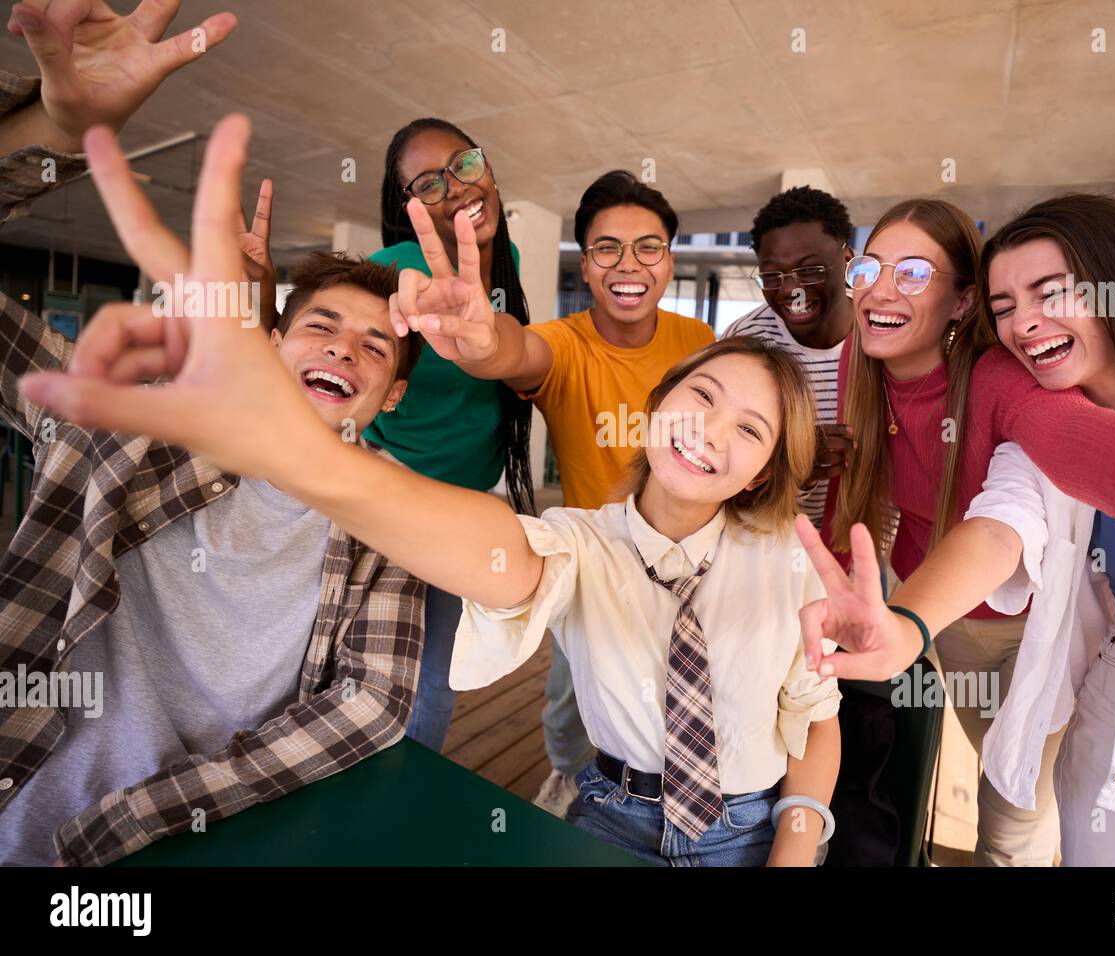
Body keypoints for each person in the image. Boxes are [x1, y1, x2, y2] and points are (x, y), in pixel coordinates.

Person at [20, 127, 842, 865]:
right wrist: (47, 129)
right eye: (700, 403)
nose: (711, 432)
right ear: (655, 410)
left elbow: (811, 715)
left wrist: (799, 835)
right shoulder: (138, 436)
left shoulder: (762, 504)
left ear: (767, 467)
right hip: (605, 785)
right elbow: (511, 522)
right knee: (562, 716)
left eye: (751, 430)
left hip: (758, 828)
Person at [0, 1, 424, 866]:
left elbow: (371, 705)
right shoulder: (131, 424)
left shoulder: (394, 524)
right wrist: (52, 131)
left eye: (376, 344)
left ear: (388, 399)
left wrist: (136, 819)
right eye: (323, 326)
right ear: (271, 347)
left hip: (196, 846)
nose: (346, 345)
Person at [818, 197, 1115, 865]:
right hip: (992, 633)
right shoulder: (871, 369)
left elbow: (1081, 443)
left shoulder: (1014, 385)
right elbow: (998, 523)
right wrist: (900, 623)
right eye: (1008, 305)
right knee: (1022, 786)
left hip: (1063, 636)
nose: (1026, 322)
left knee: (1016, 818)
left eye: (915, 273)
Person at [399, 169, 714, 813]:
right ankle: (571, 787)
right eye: (607, 248)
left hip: (700, 564)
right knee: (575, 706)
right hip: (598, 572)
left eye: (648, 246)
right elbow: (513, 353)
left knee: (694, 699)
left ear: (670, 259)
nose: (629, 264)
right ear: (587, 265)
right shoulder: (565, 345)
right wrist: (482, 344)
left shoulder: (700, 343)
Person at [366, 117, 536, 754]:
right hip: (390, 499)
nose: (458, 188)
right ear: (408, 206)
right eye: (428, 184)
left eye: (464, 164)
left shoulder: (509, 259)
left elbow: (502, 359)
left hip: (467, 504)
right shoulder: (392, 270)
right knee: (370, 672)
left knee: (434, 682)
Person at [724, 186, 855, 528]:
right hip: (769, 543)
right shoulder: (745, 342)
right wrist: (796, 464)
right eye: (771, 276)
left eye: (810, 270)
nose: (789, 290)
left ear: (847, 260)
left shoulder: (884, 330)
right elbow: (725, 463)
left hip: (864, 548)